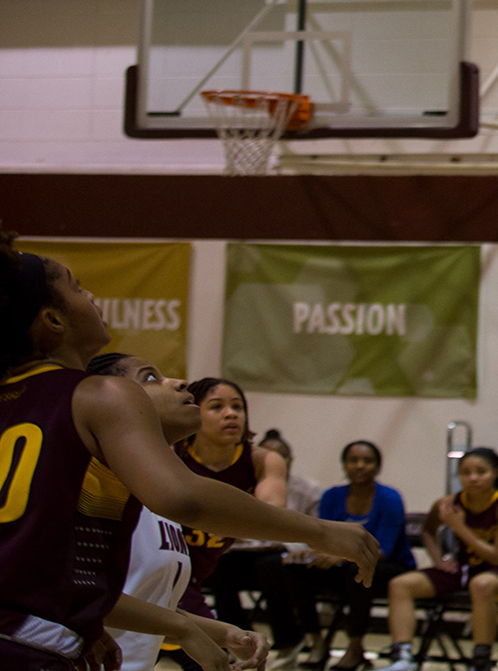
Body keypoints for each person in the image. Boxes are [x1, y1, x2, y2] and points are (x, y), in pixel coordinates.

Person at [0, 234, 381, 670]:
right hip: (24, 641)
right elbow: (184, 498)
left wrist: (85, 620)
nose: (90, 295)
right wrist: (318, 531)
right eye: (76, 286)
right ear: (52, 320)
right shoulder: (99, 395)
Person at [86, 352, 269, 671]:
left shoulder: (155, 493)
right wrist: (180, 629)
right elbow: (72, 591)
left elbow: (148, 605)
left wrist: (224, 632)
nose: (180, 382)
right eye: (151, 378)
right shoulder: (93, 485)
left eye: (237, 406)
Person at [176, 378, 302, 660]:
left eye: (238, 406)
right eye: (217, 406)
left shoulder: (262, 460)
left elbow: (271, 519)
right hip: (159, 571)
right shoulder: (173, 455)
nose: (231, 413)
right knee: (211, 656)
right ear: (192, 412)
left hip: (195, 575)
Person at [378, 448, 498, 671]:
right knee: (400, 585)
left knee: (482, 585)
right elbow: (427, 531)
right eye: (466, 472)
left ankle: (480, 662)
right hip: (465, 569)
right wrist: (438, 560)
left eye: (481, 472)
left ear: (495, 473)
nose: (473, 478)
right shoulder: (447, 504)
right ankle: (402, 657)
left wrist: (460, 528)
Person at [287, 441, 410, 670]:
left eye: (367, 461)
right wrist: (307, 552)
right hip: (344, 565)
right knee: (293, 568)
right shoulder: (332, 496)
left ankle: (355, 647)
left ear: (378, 466)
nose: (360, 466)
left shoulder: (389, 498)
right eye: (353, 460)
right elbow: (323, 537)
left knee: (358, 572)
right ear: (344, 465)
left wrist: (343, 557)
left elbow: (384, 550)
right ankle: (316, 641)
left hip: (388, 566)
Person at [257, 432, 322, 517]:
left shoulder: (310, 489)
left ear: (290, 461)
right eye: (265, 458)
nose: (271, 462)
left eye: (279, 457)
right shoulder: (243, 482)